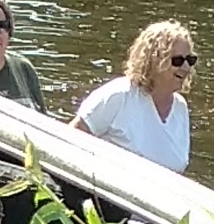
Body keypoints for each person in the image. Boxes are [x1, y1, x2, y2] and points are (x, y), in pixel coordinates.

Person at [70, 20, 195, 172]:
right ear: (154, 60)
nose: (186, 67)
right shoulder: (119, 95)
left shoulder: (180, 108)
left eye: (190, 60)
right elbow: (72, 138)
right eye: (178, 60)